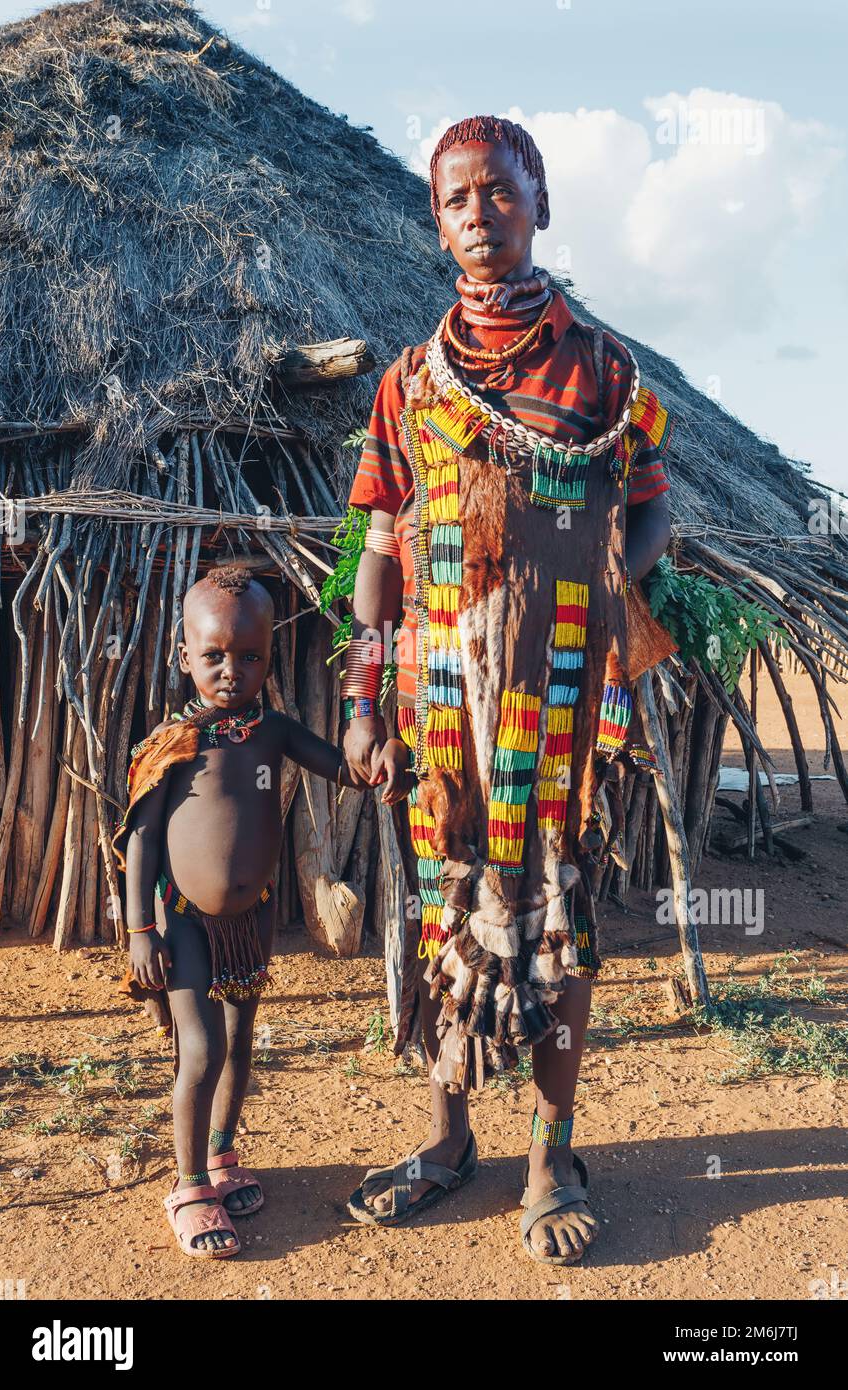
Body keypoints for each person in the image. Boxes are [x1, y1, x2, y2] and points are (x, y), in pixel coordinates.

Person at [341, 116, 673, 1265]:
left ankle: (549, 1152)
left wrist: (578, 582)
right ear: (435, 222)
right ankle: (445, 1139)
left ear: (540, 201)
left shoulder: (601, 366)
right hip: (441, 703)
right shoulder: (406, 381)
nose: (477, 214)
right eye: (454, 199)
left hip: (563, 696)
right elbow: (377, 540)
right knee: (446, 905)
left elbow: (651, 507)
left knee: (558, 917)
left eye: (498, 191)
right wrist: (361, 688)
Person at [112, 564, 409, 1258]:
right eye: (213, 656)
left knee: (241, 1048)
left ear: (269, 658)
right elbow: (142, 840)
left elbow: (346, 768)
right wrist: (139, 931)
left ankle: (219, 1156)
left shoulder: (273, 732)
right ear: (184, 657)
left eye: (249, 657)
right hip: (181, 919)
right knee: (203, 1049)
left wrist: (390, 753)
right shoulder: (174, 745)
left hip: (252, 923)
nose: (230, 672)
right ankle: (187, 1186)